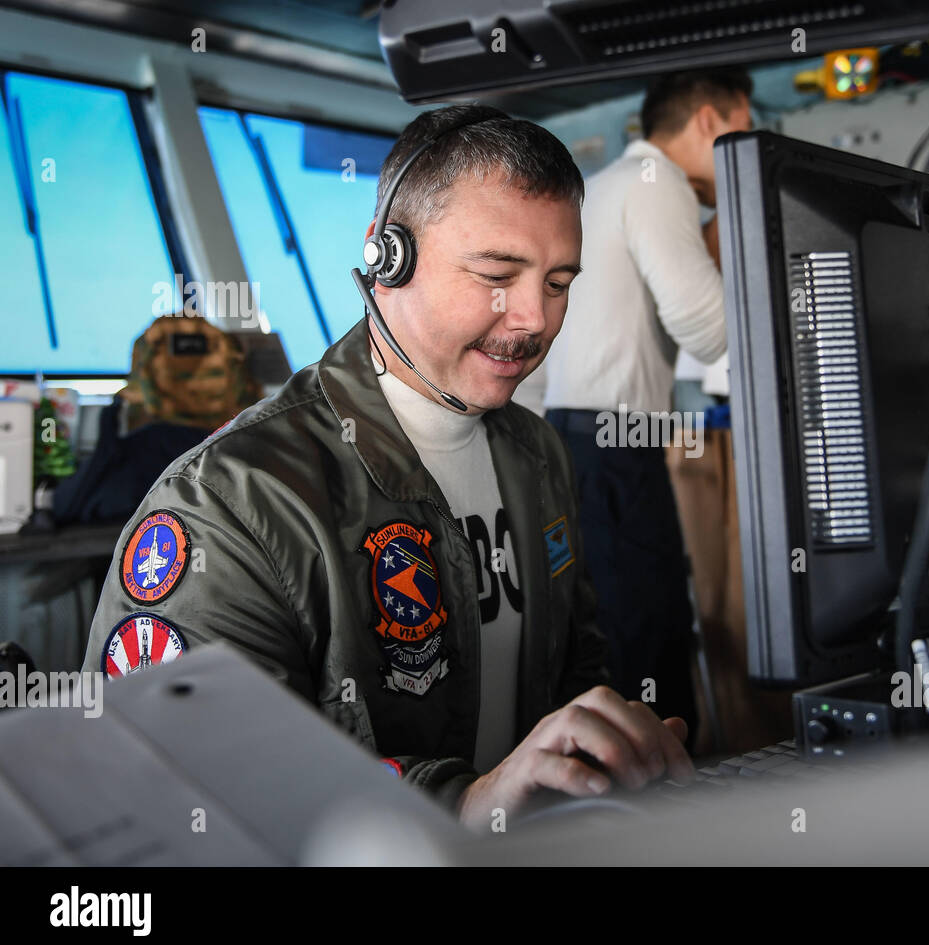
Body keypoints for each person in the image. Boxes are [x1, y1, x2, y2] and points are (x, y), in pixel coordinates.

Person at [82, 104, 694, 830]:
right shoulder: (228, 503)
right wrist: (461, 805)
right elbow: (184, 785)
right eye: (498, 273)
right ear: (386, 258)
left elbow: (575, 669)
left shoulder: (539, 454)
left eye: (559, 282)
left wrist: (607, 760)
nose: (534, 317)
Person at [542, 70, 753, 747]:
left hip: (568, 437)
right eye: (744, 127)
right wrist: (726, 249)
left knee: (617, 638)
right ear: (710, 123)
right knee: (652, 635)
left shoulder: (602, 185)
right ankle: (673, 814)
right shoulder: (659, 186)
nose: (745, 145)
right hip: (618, 441)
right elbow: (709, 328)